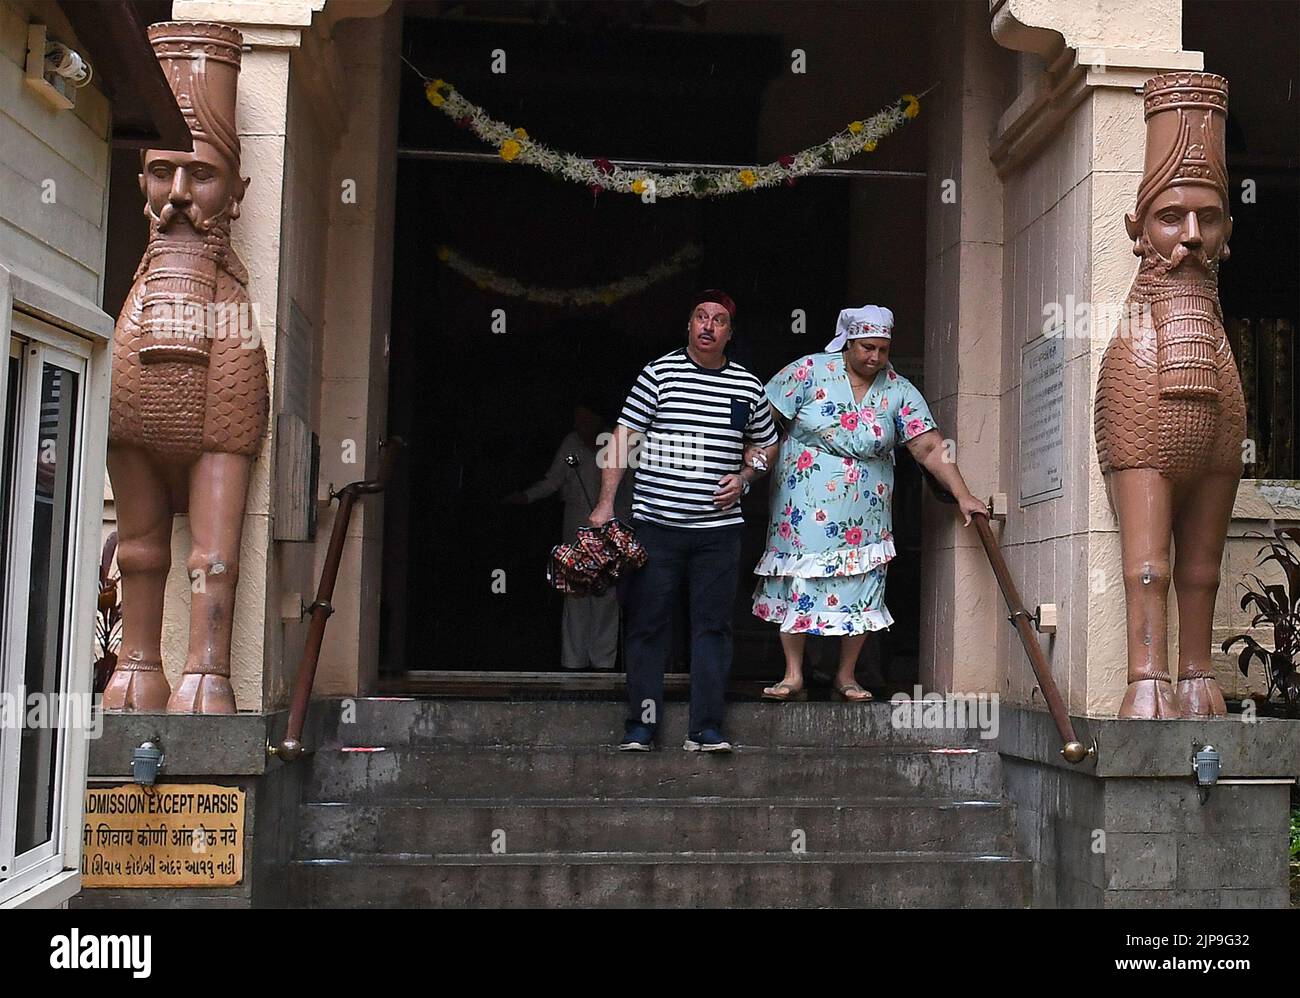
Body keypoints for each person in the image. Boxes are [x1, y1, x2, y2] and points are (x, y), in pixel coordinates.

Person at [747, 305, 985, 702]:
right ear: (848, 341)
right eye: (866, 347)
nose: (874, 357)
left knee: (861, 587)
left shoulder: (899, 390)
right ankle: (792, 674)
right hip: (802, 505)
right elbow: (762, 420)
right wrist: (744, 468)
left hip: (865, 513)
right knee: (800, 581)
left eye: (882, 349)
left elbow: (927, 446)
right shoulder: (808, 371)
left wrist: (963, 495)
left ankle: (846, 675)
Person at [589, 289, 777, 752]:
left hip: (719, 532)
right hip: (656, 526)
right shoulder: (659, 373)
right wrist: (605, 503)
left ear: (730, 332)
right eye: (700, 317)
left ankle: (705, 730)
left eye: (718, 320)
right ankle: (641, 728)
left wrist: (747, 476)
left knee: (713, 628)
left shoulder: (748, 386)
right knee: (648, 624)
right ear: (688, 326)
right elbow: (624, 437)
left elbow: (767, 445)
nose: (708, 326)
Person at [504, 402, 628, 670]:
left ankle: (604, 663)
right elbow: (553, 480)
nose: (579, 425)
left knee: (607, 597)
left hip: (612, 530)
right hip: (575, 529)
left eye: (585, 419)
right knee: (575, 593)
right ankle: (573, 662)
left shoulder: (616, 442)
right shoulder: (571, 443)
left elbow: (630, 490)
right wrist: (525, 496)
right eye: (577, 420)